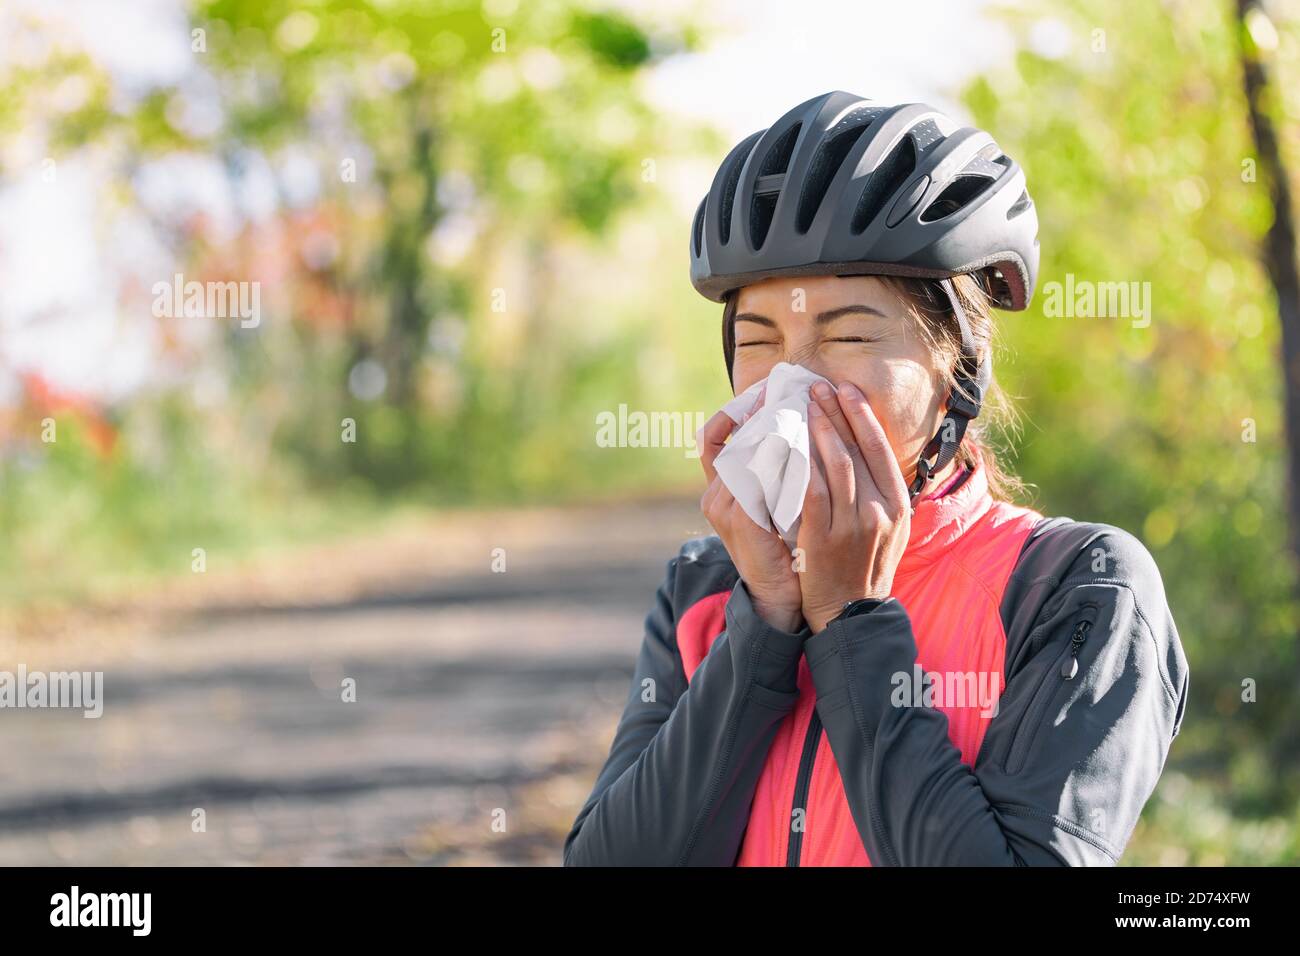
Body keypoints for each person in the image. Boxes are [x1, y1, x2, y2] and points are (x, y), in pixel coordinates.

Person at [563, 91, 1189, 866]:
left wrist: (851, 617)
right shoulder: (703, 586)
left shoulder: (1075, 589)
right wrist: (763, 625)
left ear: (959, 367)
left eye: (850, 333)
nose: (791, 380)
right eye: (758, 341)